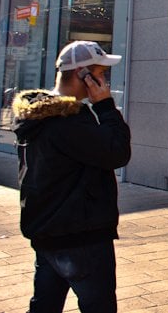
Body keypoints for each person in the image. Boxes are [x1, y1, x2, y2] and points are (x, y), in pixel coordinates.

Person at [11, 40, 131, 313]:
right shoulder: (68, 121)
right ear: (82, 76)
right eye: (100, 73)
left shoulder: (37, 116)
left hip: (47, 233)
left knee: (44, 305)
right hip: (81, 236)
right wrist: (105, 106)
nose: (104, 80)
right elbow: (117, 152)